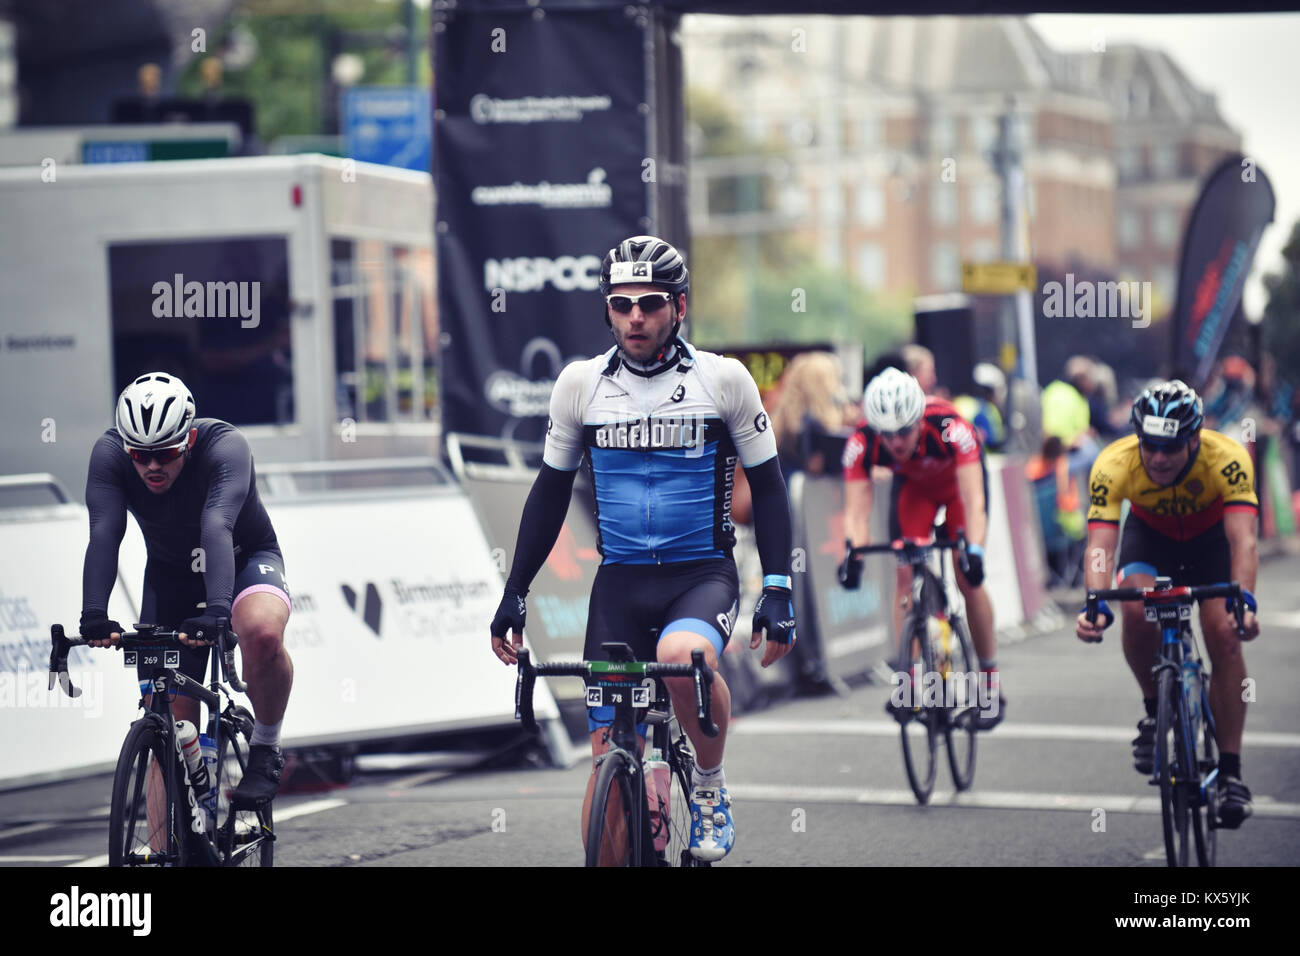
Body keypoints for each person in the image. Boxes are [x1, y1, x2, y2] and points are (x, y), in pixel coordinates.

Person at [489, 236, 796, 863]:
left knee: (679, 654)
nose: (635, 317)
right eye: (621, 303)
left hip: (700, 574)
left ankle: (708, 788)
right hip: (620, 583)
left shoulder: (723, 380)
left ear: (678, 307)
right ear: (607, 309)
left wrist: (777, 589)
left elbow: (768, 486)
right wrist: (514, 592)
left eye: (650, 303)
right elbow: (548, 496)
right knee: (606, 765)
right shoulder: (580, 385)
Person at [80, 372, 293, 807]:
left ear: (189, 439)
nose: (152, 466)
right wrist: (93, 614)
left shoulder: (225, 446)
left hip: (244, 559)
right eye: (140, 455)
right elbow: (105, 531)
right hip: (171, 577)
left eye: (166, 453)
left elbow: (218, 524)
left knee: (262, 632)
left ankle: (266, 748)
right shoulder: (108, 454)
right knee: (167, 732)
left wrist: (219, 609)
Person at [1075, 380, 1259, 827]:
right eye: (1150, 446)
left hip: (1210, 543)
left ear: (1194, 439)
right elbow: (1100, 543)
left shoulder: (1228, 458)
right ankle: (1154, 712)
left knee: (1224, 635)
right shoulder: (1113, 463)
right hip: (1151, 538)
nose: (1157, 458)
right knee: (1135, 611)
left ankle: (1230, 771)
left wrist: (1245, 602)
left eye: (1170, 448)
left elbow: (1243, 540)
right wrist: (1095, 600)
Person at [838, 367, 1003, 728]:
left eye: (904, 431)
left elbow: (974, 499)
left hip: (958, 489)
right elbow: (857, 510)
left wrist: (973, 549)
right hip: (916, 492)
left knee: (967, 577)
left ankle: (989, 681)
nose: (896, 442)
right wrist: (854, 554)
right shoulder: (861, 442)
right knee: (903, 578)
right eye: (888, 434)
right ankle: (910, 682)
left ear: (918, 420)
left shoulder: (951, 426)